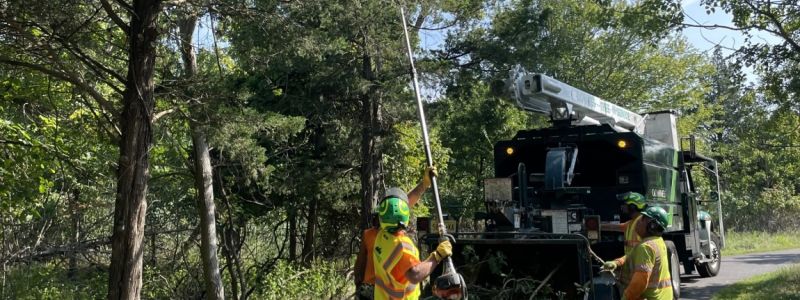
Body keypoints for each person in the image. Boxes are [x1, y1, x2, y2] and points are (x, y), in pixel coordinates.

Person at [372, 168, 451, 300]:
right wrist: (437, 255)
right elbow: (415, 275)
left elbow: (400, 207)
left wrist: (423, 185)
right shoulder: (401, 246)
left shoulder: (381, 234)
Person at [603, 206, 673, 300]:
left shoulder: (646, 247)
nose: (638, 223)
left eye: (642, 220)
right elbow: (630, 256)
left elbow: (640, 282)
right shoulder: (658, 241)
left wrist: (626, 297)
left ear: (652, 225)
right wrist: (616, 263)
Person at [601, 191, 648, 290]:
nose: (622, 207)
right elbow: (613, 227)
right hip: (633, 267)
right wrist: (594, 225)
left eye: (625, 204)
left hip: (638, 269)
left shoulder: (640, 224)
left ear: (633, 207)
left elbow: (636, 253)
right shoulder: (632, 222)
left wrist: (617, 262)